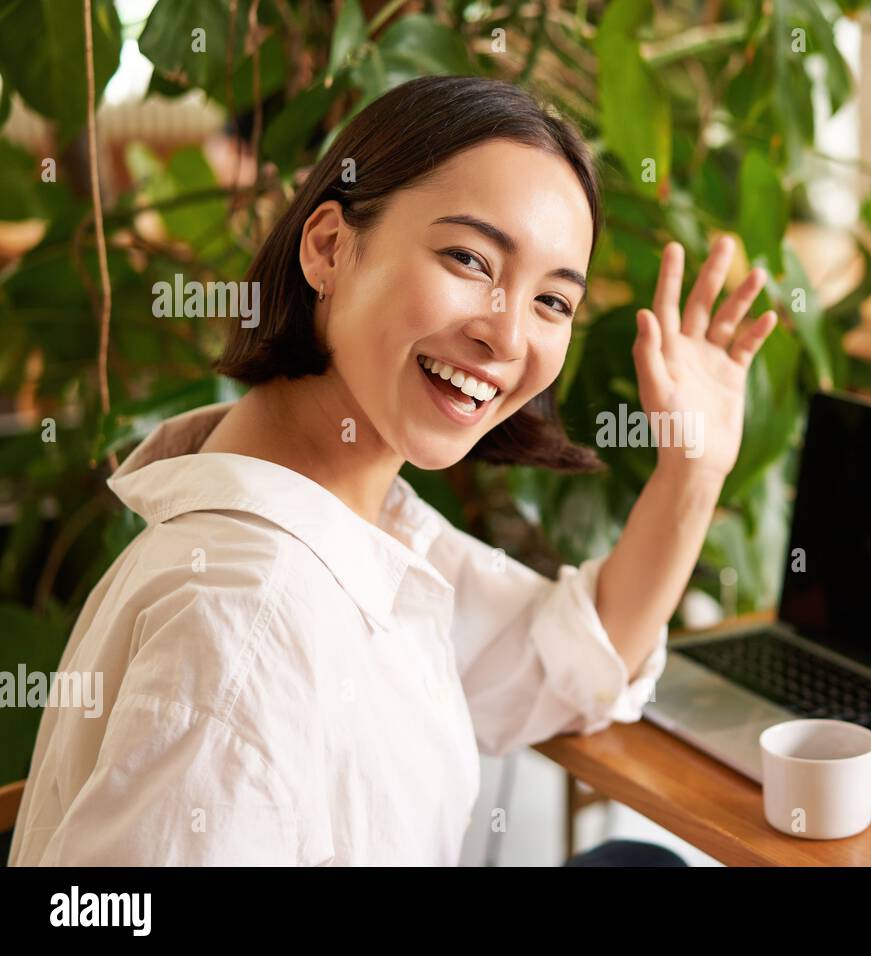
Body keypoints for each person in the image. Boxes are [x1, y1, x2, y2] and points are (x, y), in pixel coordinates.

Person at [8, 75, 776, 866]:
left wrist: (694, 469)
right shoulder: (247, 622)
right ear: (330, 247)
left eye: (552, 302)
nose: (507, 337)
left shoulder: (354, 518)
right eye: (470, 258)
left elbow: (567, 658)